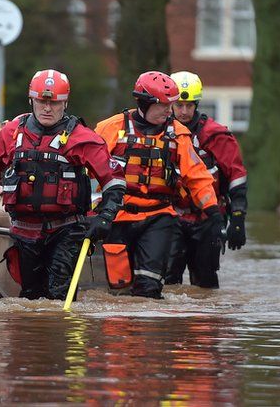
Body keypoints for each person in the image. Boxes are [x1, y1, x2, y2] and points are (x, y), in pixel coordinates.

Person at [0, 70, 126, 300]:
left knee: (58, 295)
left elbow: (113, 181)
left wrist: (105, 217)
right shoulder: (12, 133)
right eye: (41, 101)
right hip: (24, 231)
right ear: (31, 101)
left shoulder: (82, 138)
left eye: (54, 103)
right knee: (30, 297)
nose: (47, 108)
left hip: (66, 230)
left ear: (65, 103)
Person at [94, 71, 220, 299]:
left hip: (158, 217)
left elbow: (197, 176)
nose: (169, 111)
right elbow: (88, 171)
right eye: (163, 105)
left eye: (170, 105)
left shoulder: (178, 134)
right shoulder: (109, 129)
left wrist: (212, 211)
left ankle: (148, 320)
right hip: (117, 217)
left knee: (149, 287)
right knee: (118, 287)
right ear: (144, 103)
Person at [166, 71, 247, 288]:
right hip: (169, 217)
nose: (184, 111)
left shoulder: (215, 135)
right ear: (170, 104)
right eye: (179, 105)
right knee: (167, 280)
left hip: (208, 218)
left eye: (189, 106)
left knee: (205, 282)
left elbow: (236, 177)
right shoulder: (160, 133)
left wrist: (238, 217)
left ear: (197, 105)